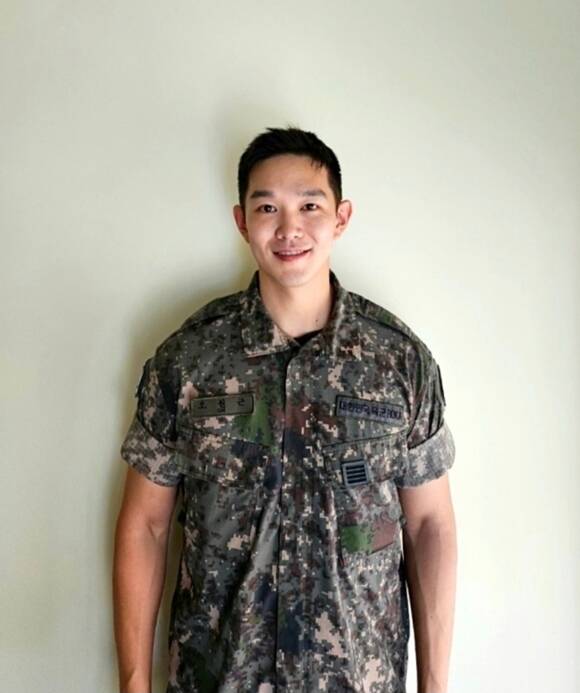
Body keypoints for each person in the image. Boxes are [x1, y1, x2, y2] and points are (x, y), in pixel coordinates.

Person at [113, 126, 457, 693]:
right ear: (242, 221)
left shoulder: (399, 363)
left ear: (341, 218)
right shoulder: (189, 360)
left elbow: (429, 525)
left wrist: (436, 684)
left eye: (310, 206)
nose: (289, 228)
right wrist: (133, 683)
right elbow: (146, 525)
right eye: (267, 207)